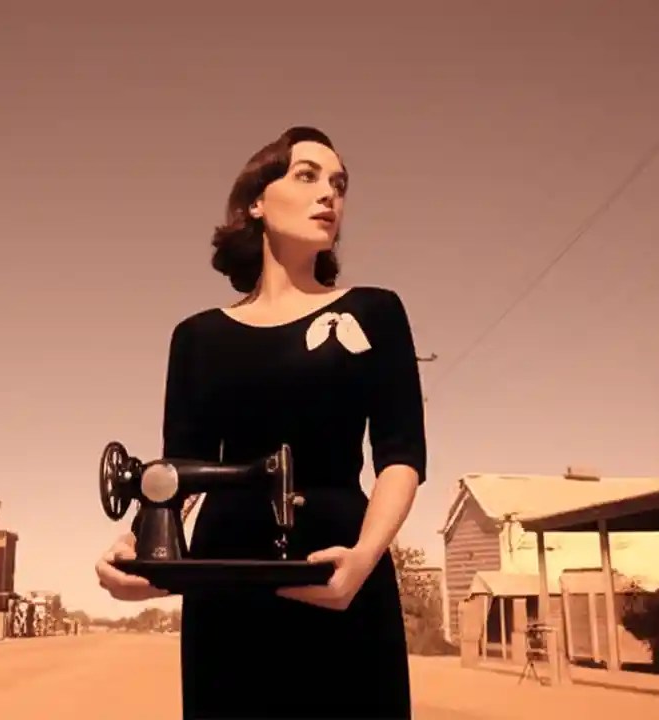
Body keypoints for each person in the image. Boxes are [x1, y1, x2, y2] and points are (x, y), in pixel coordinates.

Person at [95, 126, 426, 719]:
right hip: (226, 584)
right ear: (255, 201)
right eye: (307, 176)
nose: (330, 194)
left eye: (339, 184)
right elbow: (178, 476)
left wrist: (364, 557)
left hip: (343, 570)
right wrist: (140, 547)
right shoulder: (196, 338)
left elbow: (401, 455)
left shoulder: (375, 310)